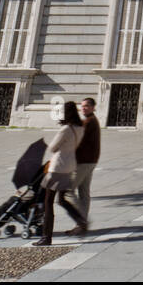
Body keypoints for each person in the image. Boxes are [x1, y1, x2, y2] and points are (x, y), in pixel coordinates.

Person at [34, 100, 88, 245]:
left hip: (57, 167)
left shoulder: (65, 129)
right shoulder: (80, 128)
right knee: (62, 199)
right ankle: (81, 221)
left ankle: (46, 237)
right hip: (70, 165)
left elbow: (52, 147)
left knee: (48, 202)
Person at [67, 97, 100, 235]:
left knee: (67, 191)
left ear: (93, 107)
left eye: (86, 106)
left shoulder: (89, 122)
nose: (83, 108)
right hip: (90, 161)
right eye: (82, 106)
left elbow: (77, 140)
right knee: (84, 193)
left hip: (83, 162)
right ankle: (81, 224)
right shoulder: (90, 121)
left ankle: (81, 221)